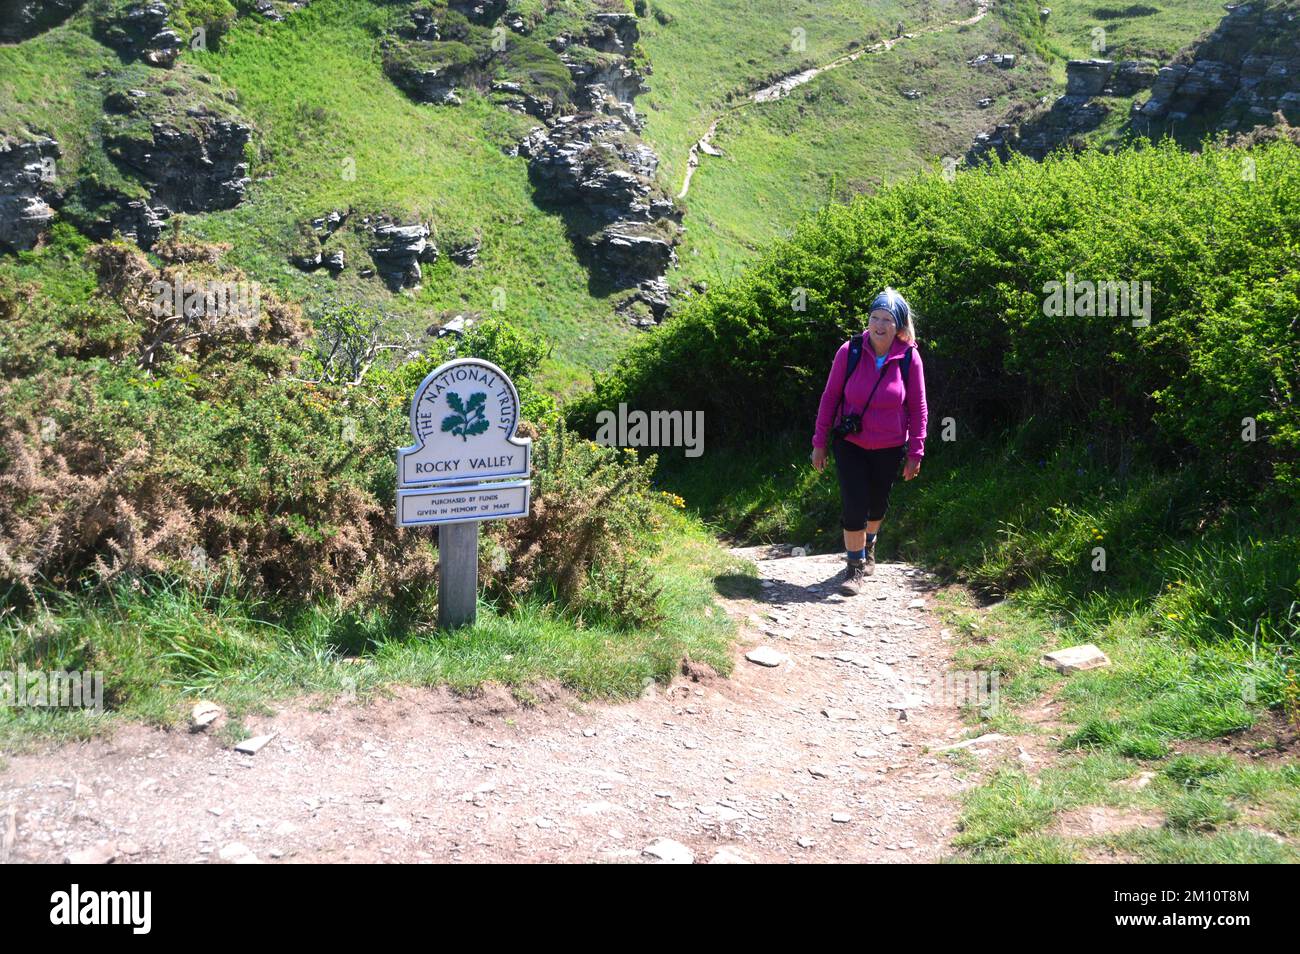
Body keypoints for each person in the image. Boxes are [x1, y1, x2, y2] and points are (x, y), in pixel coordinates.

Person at [810, 287, 928, 595]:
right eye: (874, 317)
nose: (878, 325)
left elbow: (918, 406)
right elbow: (830, 397)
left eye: (886, 320)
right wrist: (819, 442)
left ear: (898, 325)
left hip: (890, 445)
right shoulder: (849, 351)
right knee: (854, 503)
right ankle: (854, 567)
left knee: (877, 503)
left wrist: (916, 451)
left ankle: (870, 542)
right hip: (850, 442)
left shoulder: (909, 358)